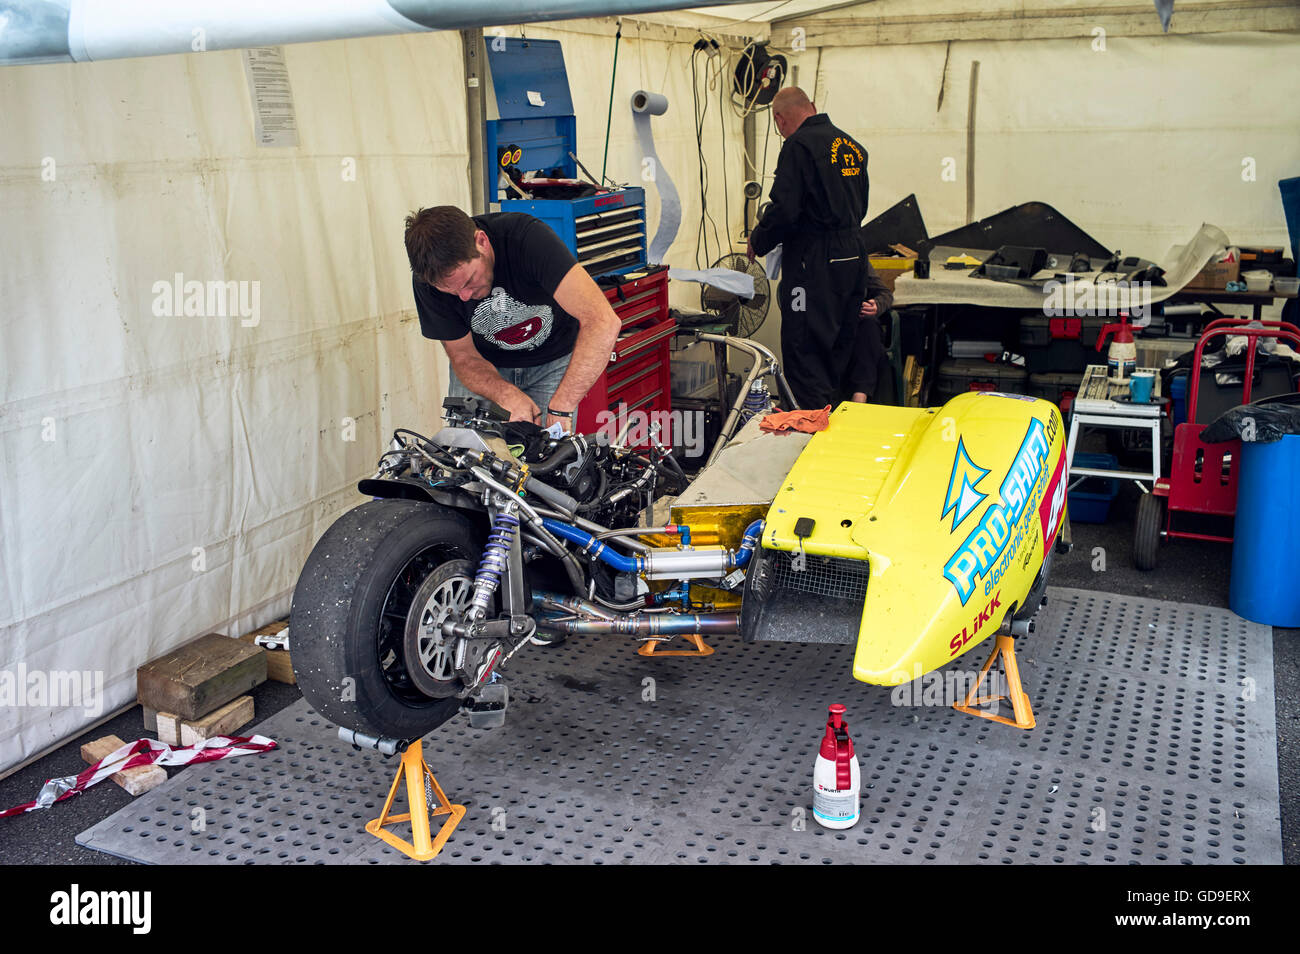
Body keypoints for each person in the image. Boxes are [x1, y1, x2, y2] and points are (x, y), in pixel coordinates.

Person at [404, 206, 621, 432]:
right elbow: (463, 355)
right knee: (468, 456)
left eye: (469, 281)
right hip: (483, 366)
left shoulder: (528, 240)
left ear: (482, 241)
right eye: (452, 292)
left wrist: (561, 406)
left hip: (550, 361)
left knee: (550, 457)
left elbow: (603, 321)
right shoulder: (427, 279)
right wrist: (504, 393)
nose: (464, 296)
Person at [746, 87, 870, 410]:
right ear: (812, 107)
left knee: (805, 351)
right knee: (839, 348)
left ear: (780, 119)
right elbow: (862, 205)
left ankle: (808, 437)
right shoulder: (853, 148)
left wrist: (759, 239)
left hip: (815, 262)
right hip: (853, 256)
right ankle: (836, 432)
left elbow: (785, 209)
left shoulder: (797, 147)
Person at [847, 262, 894, 403]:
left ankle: (860, 394)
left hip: (855, 326)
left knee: (869, 325)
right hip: (825, 325)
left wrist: (876, 305)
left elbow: (885, 293)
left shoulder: (857, 258)